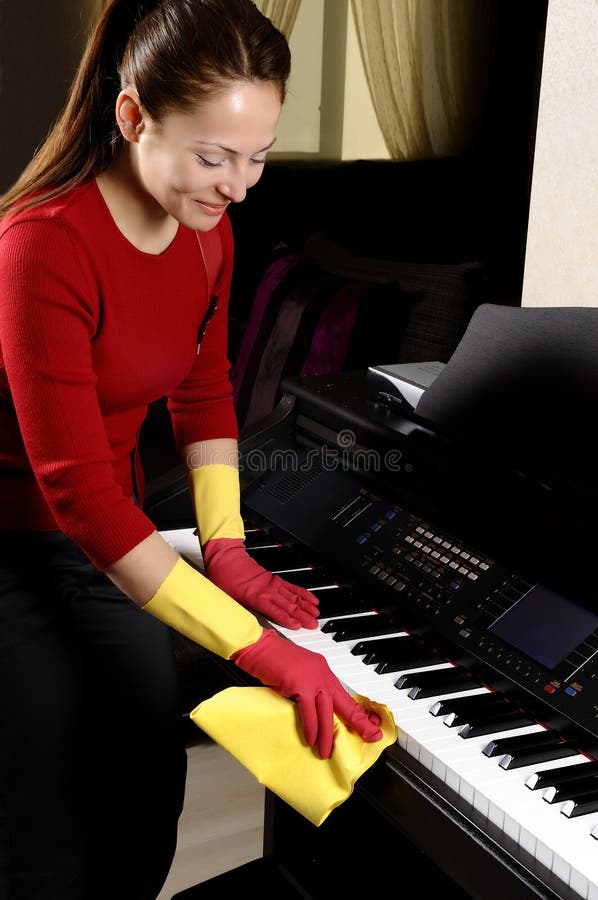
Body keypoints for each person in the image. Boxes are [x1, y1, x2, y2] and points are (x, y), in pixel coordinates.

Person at [0, 1, 384, 897]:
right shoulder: (40, 247)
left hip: (109, 544)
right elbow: (78, 495)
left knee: (144, 796)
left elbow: (204, 392)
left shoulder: (207, 232)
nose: (239, 186)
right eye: (215, 158)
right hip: (17, 545)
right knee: (46, 828)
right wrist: (258, 648)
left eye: (257, 157)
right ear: (133, 116)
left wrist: (229, 550)